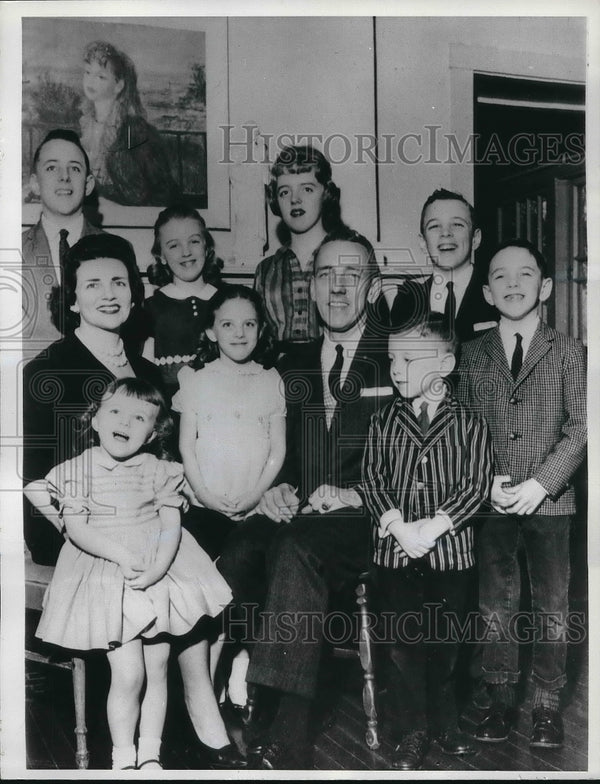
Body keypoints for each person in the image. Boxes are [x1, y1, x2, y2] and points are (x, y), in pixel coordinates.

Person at [217, 228, 394, 769]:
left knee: (294, 548)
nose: (336, 288)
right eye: (324, 275)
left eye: (351, 275)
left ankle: (284, 729)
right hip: (300, 511)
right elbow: (282, 451)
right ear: (310, 287)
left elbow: (423, 456)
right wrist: (275, 488)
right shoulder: (291, 361)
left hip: (368, 517)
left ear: (373, 285)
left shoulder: (399, 357)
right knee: (240, 550)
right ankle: (217, 694)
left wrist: (357, 494)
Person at [24, 378, 233, 770]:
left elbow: (172, 526)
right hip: (106, 571)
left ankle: (150, 756)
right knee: (130, 672)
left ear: (153, 432)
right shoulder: (79, 469)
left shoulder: (160, 470)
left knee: (158, 666)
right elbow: (79, 529)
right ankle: (123, 758)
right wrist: (121, 556)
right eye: (116, 411)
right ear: (97, 419)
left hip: (156, 569)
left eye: (140, 417)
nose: (126, 422)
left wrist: (157, 568)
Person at [457, 239, 587, 749]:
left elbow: (581, 427)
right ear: (487, 292)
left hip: (551, 502)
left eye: (526, 275)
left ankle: (548, 705)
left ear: (546, 287)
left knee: (553, 605)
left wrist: (542, 483)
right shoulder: (470, 355)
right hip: (492, 501)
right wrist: (484, 481)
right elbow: (463, 429)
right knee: (496, 604)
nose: (513, 284)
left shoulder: (570, 351)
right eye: (501, 277)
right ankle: (500, 698)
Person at [361, 315, 493, 770]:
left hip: (449, 552)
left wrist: (433, 527)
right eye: (393, 358)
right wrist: (399, 527)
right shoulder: (383, 421)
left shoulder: (471, 422)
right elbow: (372, 481)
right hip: (396, 552)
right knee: (403, 643)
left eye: (411, 359)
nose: (398, 368)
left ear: (447, 363)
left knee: (446, 641)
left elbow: (475, 486)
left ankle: (444, 720)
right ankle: (412, 728)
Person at [172, 285, 285, 712]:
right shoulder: (195, 381)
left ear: (261, 330)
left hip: (253, 506)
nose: (239, 333)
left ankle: (241, 658)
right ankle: (202, 677)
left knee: (253, 570)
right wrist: (206, 495)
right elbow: (186, 448)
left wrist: (254, 496)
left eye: (249, 324)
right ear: (211, 331)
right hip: (206, 504)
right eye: (227, 324)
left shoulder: (270, 380)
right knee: (198, 578)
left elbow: (277, 451)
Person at [23, 233, 160, 565]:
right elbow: (31, 477)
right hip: (70, 533)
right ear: (72, 299)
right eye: (93, 285)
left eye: (118, 283)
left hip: (139, 523)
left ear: (132, 294)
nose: (109, 295)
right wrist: (80, 539)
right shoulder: (46, 370)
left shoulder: (150, 374)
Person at [253, 144, 350, 348]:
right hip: (276, 373)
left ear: (326, 193)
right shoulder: (266, 270)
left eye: (307, 189)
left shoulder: (349, 256)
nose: (295, 200)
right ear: (275, 201)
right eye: (284, 192)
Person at [22, 129, 102, 348]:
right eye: (51, 167)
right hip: (32, 378)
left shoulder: (115, 249)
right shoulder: (14, 249)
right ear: (35, 183)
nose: (64, 176)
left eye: (74, 168)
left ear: (88, 185)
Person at [388, 188, 498, 343]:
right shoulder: (407, 301)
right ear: (423, 242)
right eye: (434, 226)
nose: (445, 233)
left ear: (475, 238)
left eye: (457, 224)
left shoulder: (497, 293)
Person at [80, 40, 180, 206]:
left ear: (118, 86)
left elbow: (150, 191)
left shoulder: (134, 129)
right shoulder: (84, 125)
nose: (91, 81)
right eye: (87, 72)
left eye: (101, 77)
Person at [141, 203, 222, 397]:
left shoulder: (226, 300)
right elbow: (146, 369)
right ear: (160, 256)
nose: (186, 252)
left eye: (193, 241)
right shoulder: (153, 307)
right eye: (174, 245)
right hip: (171, 408)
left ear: (207, 246)